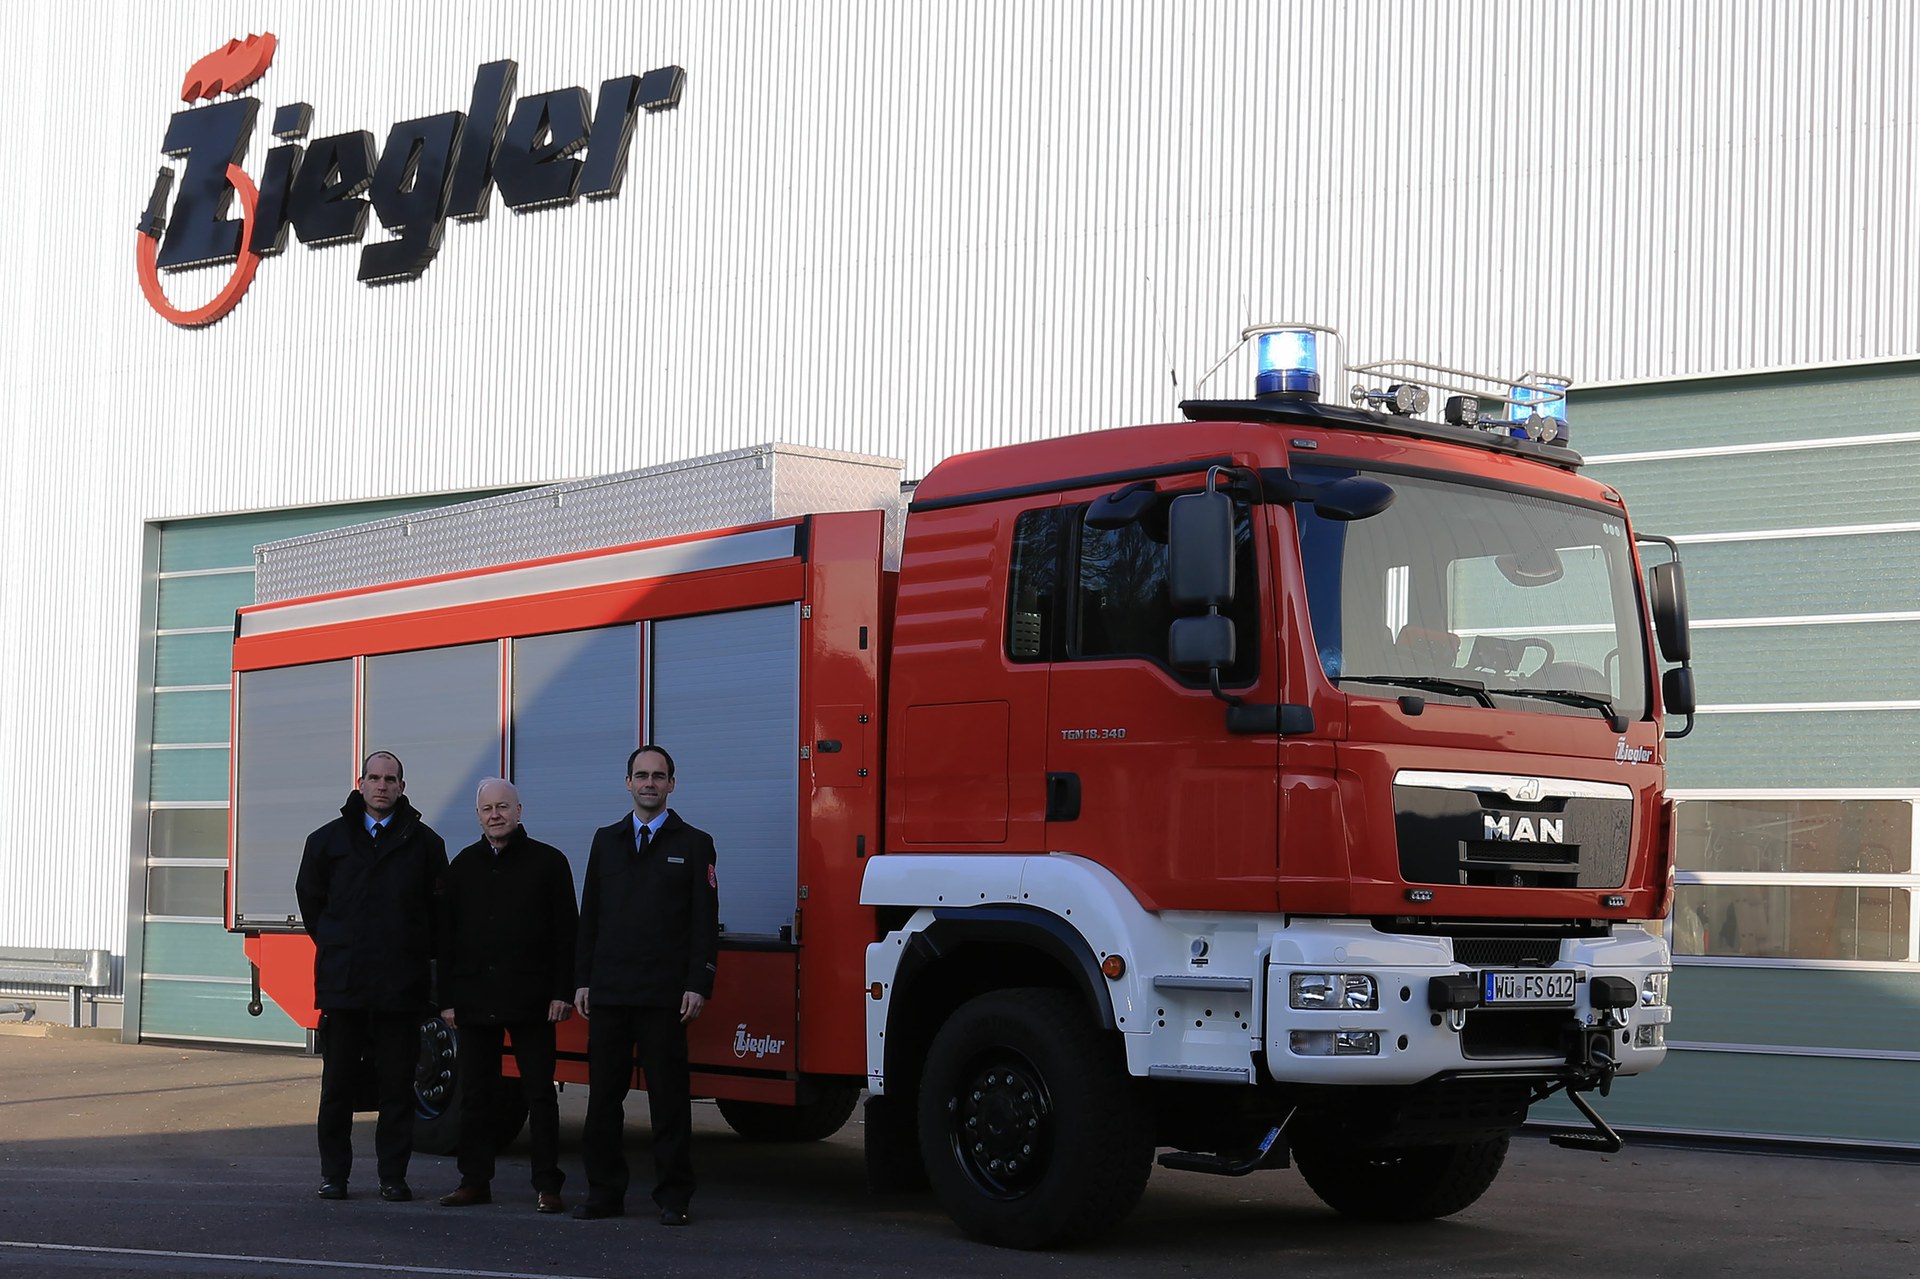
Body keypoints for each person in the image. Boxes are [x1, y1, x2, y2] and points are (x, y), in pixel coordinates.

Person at [572, 745, 720, 1226]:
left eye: (659, 776)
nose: (650, 783)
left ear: (672, 784)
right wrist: (583, 980)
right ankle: (603, 1194)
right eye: (641, 775)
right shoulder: (605, 840)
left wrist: (699, 983)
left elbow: (705, 921)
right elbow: (589, 914)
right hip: (611, 992)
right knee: (603, 1102)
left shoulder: (695, 843)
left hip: (664, 997)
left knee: (670, 1102)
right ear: (628, 783)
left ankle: (674, 1197)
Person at [294, 750, 448, 1203]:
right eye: (374, 778)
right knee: (338, 1088)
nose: (382, 786)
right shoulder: (326, 841)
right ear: (360, 783)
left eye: (391, 779)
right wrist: (341, 945)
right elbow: (312, 903)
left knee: (397, 1090)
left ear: (403, 787)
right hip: (345, 988)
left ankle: (392, 1178)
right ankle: (334, 1176)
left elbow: (437, 913)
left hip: (401, 989)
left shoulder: (425, 844)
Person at [435, 778, 579, 1214]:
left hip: (534, 1000)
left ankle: (548, 1185)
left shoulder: (549, 863)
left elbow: (567, 934)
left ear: (519, 811)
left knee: (540, 1095)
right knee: (477, 1095)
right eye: (487, 809)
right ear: (477, 816)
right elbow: (446, 939)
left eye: (503, 807)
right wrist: (446, 1000)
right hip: (475, 999)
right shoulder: (462, 866)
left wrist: (562, 992)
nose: (495, 815)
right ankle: (474, 1181)